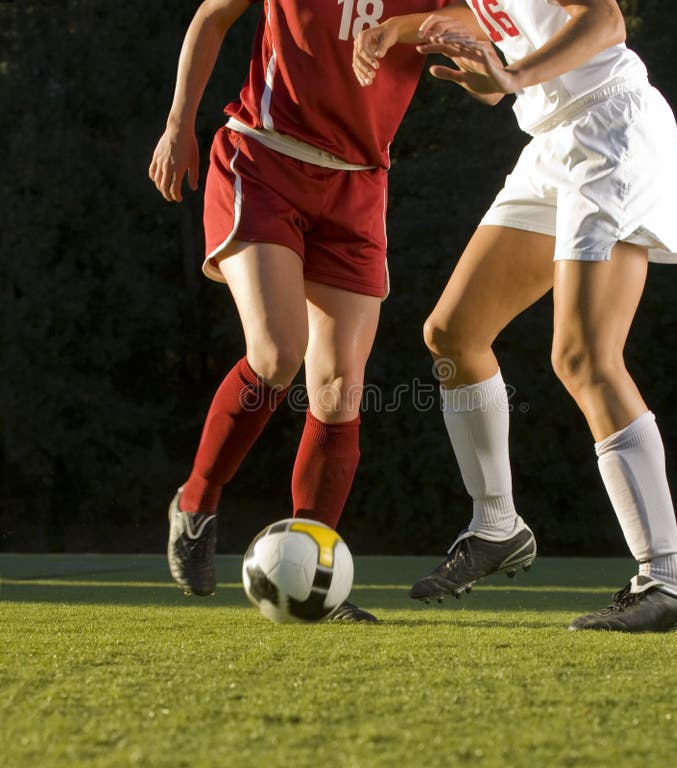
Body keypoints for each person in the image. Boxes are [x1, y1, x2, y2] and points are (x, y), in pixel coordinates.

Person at [353, 0, 677, 632]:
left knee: (585, 358)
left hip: (611, 129)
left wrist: (512, 75)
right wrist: (402, 35)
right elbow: (491, 45)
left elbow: (605, 19)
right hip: (551, 142)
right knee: (454, 333)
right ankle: (498, 526)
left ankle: (669, 579)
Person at [149, 0, 455, 621]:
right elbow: (212, 16)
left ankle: (314, 578)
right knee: (277, 354)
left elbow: (488, 29)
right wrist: (179, 123)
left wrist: (482, 65)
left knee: (339, 389)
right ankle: (196, 503)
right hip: (264, 159)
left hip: (358, 183)